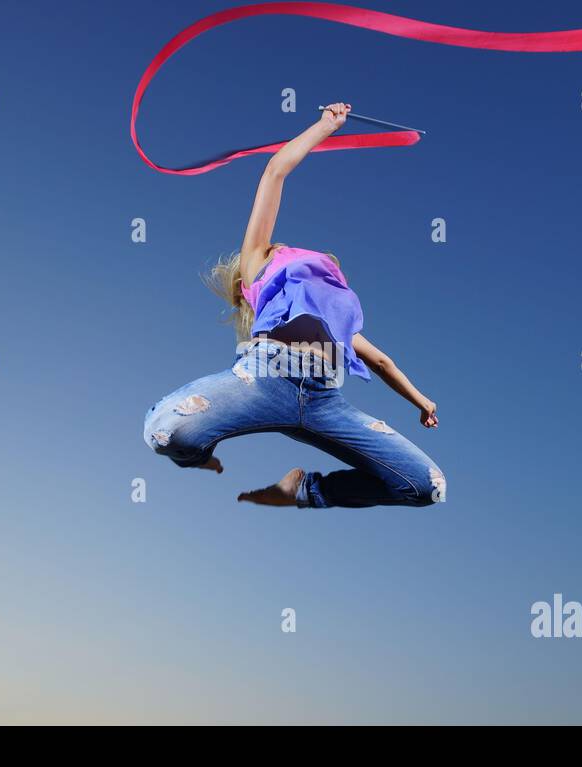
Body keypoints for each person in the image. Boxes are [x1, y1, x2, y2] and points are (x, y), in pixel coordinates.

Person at [144, 103, 445, 508]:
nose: (287, 248)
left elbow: (381, 362)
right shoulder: (258, 265)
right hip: (262, 381)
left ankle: (303, 491)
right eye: (281, 249)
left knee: (427, 486)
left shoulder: (336, 322)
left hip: (325, 401)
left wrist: (421, 401)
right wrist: (325, 126)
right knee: (164, 433)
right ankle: (198, 455)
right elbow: (275, 172)